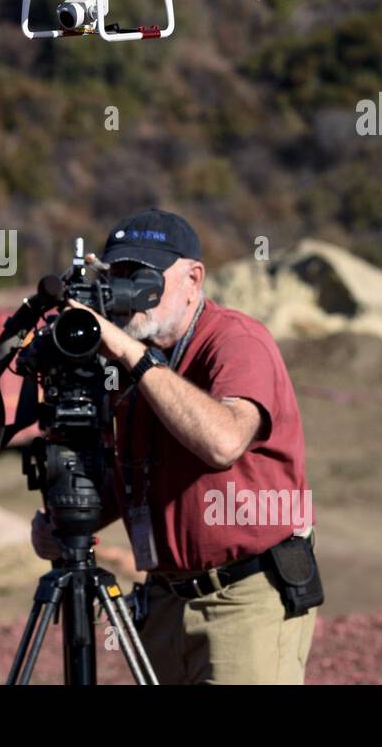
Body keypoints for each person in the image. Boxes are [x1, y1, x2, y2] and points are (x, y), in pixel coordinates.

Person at [30, 208, 322, 684]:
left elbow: (224, 442)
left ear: (193, 278)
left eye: (143, 277)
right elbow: (130, 482)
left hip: (243, 598)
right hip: (164, 597)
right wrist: (67, 522)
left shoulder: (235, 341)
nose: (127, 293)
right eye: (117, 276)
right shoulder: (123, 363)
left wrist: (131, 355)